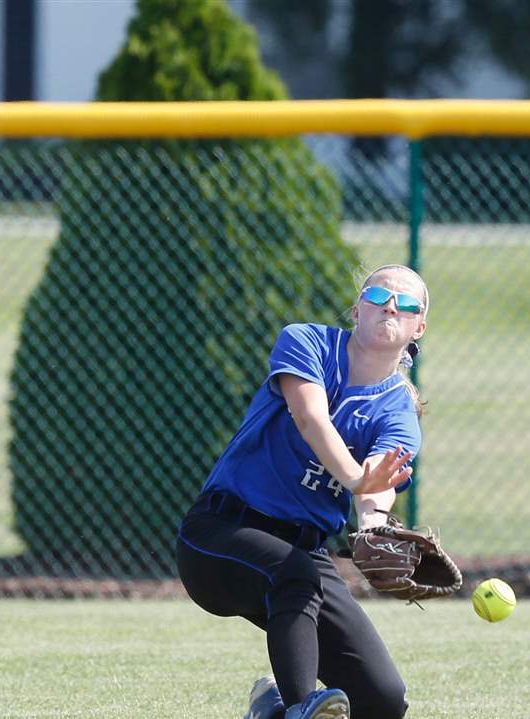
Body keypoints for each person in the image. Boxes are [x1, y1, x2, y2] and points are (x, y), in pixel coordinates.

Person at [176, 264, 430, 719]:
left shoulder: (399, 410)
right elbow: (310, 417)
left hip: (304, 554)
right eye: (378, 296)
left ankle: (271, 708)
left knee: (382, 700)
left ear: (418, 328)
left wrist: (372, 526)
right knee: (296, 577)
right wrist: (355, 478)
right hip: (222, 533)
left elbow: (377, 482)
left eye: (407, 303)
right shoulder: (308, 341)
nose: (392, 305)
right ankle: (298, 709)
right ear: (357, 310)